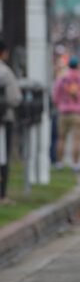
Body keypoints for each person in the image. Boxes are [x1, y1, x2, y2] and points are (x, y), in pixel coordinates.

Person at [53, 55, 80, 168]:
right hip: (79, 113)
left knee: (61, 138)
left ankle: (59, 163)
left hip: (64, 112)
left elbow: (56, 97)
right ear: (78, 66)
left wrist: (60, 106)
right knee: (77, 139)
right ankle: (75, 164)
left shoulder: (61, 80)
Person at [0, 40, 21, 203]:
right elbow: (15, 98)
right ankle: (2, 195)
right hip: (3, 120)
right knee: (2, 159)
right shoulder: (5, 72)